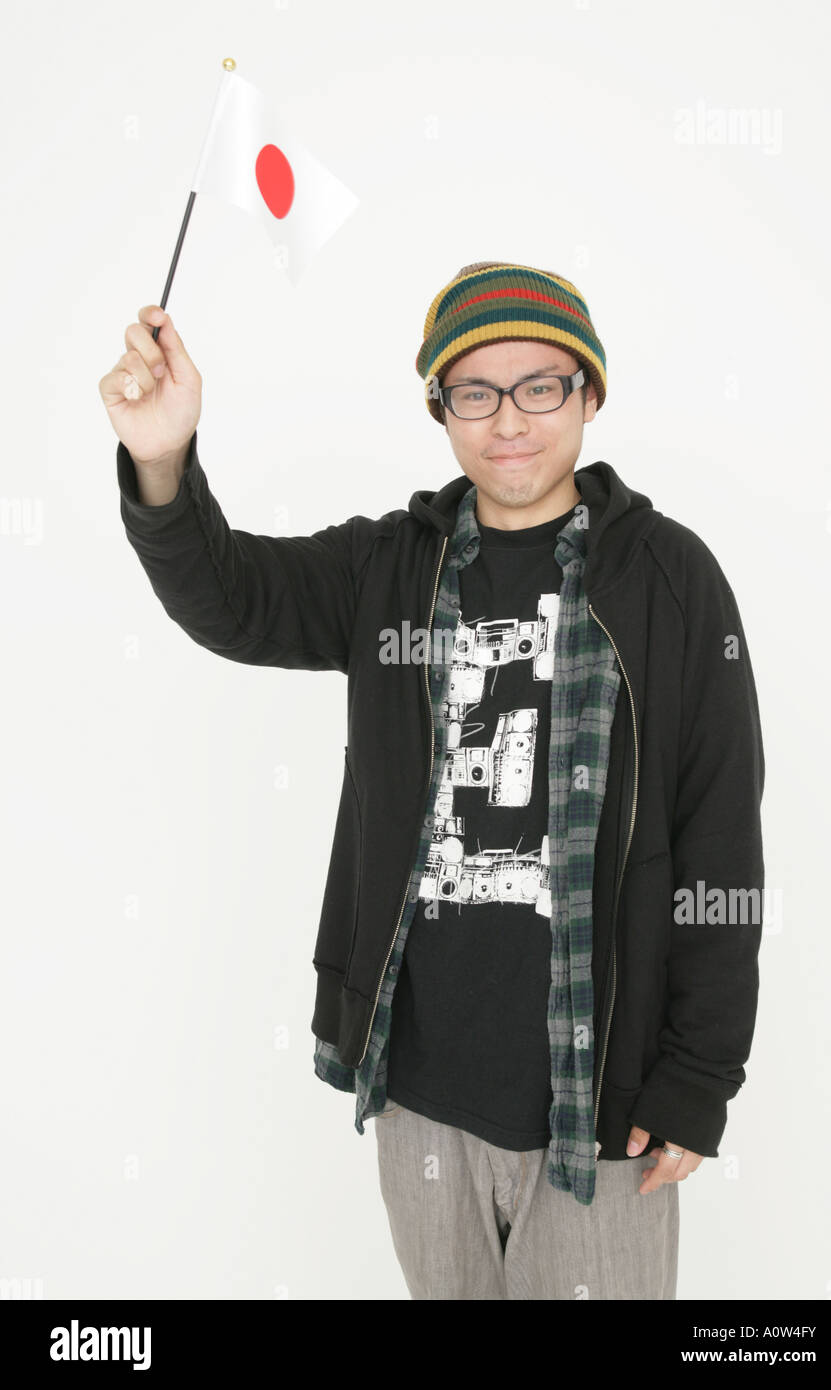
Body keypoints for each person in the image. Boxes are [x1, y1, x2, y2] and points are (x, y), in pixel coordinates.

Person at [99, 260, 765, 1300]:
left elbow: (718, 828)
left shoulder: (670, 579)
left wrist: (697, 1078)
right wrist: (161, 455)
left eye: (540, 385)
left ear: (588, 393)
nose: (508, 419)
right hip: (417, 1088)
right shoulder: (385, 570)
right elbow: (229, 598)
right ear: (440, 409)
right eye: (474, 392)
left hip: (600, 1095)